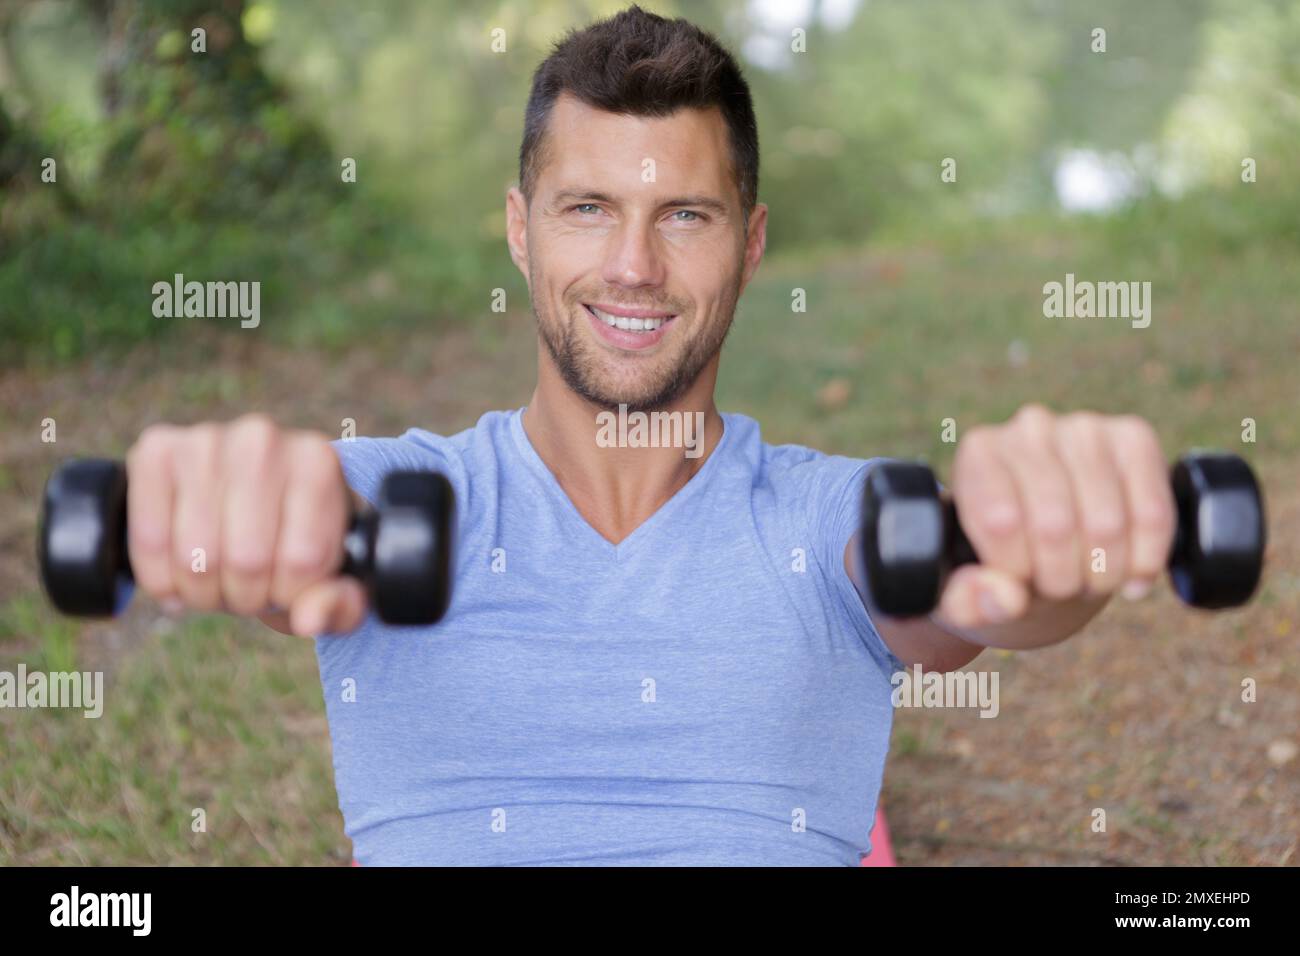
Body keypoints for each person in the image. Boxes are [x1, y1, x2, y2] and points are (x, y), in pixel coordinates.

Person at [121, 5, 1176, 865]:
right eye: (586, 207)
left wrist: (1046, 540)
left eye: (684, 214)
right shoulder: (411, 496)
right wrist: (231, 501)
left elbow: (957, 584)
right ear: (519, 227)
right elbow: (300, 518)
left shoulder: (824, 517)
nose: (632, 265)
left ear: (750, 243)